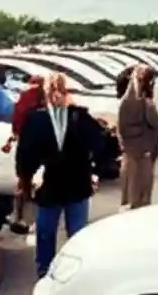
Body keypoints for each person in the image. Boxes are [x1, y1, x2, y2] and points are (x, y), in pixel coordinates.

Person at [15, 73, 105, 278]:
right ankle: (58, 269)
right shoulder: (45, 117)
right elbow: (26, 152)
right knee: (66, 232)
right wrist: (24, 176)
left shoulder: (75, 116)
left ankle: (49, 269)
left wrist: (24, 177)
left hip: (60, 182)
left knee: (58, 232)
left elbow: (25, 152)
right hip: (64, 182)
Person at [2, 75, 44, 236]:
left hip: (26, 146)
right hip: (42, 145)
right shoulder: (47, 99)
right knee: (38, 181)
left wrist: (15, 135)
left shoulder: (25, 99)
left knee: (23, 181)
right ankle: (32, 217)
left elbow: (17, 121)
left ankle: (20, 217)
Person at [116, 65, 158, 209]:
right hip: (140, 156)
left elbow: (121, 131)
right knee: (139, 198)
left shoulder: (127, 103)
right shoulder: (142, 104)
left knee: (134, 197)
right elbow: (156, 127)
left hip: (135, 155)